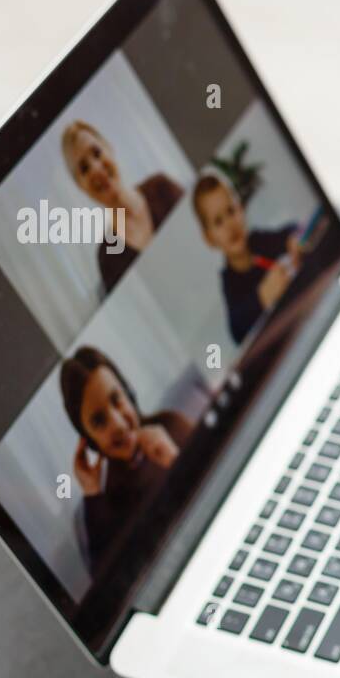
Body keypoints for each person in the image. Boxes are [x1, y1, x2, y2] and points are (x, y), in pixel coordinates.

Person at [59, 346, 192, 569]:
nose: (118, 424)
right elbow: (113, 577)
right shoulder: (109, 500)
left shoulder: (172, 425)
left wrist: (174, 460)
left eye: (116, 399)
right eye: (99, 421)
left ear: (128, 393)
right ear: (89, 441)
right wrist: (92, 493)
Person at [60, 120, 183, 293]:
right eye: (84, 168)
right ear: (80, 186)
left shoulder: (162, 188)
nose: (96, 168)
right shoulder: (108, 257)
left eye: (97, 153)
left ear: (109, 148)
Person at [191, 171, 307, 343]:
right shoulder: (230, 282)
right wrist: (262, 297)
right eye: (218, 221)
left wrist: (294, 239)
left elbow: (293, 230)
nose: (230, 224)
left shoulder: (259, 241)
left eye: (231, 211)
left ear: (241, 209)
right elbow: (236, 330)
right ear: (209, 238)